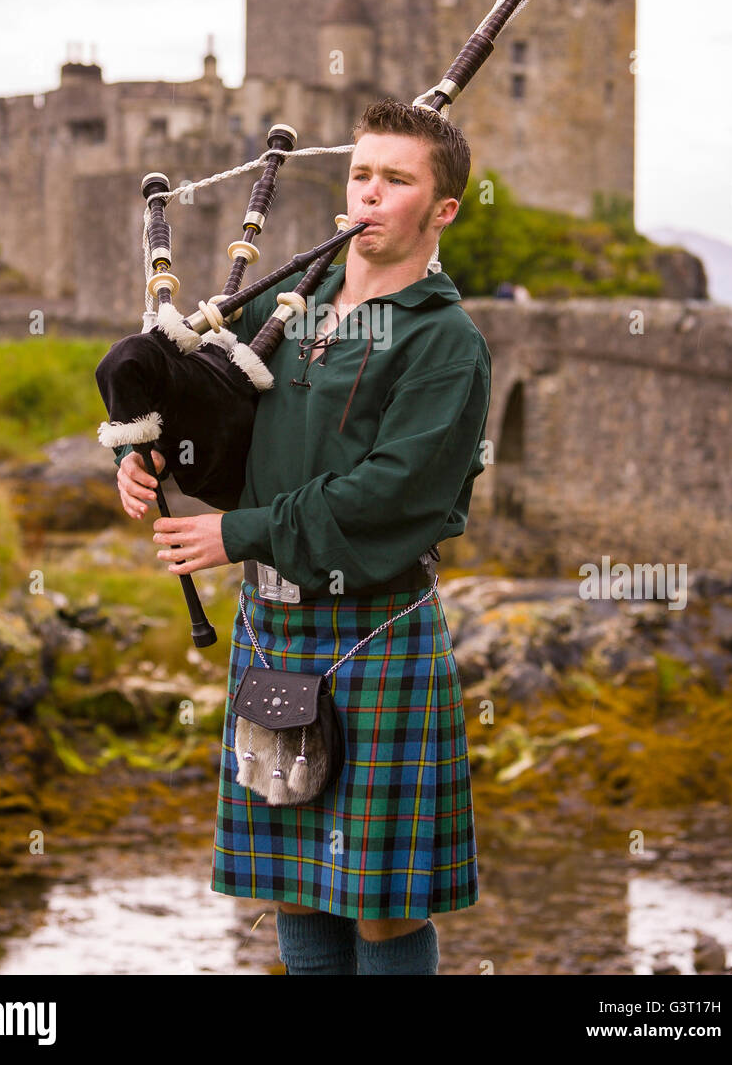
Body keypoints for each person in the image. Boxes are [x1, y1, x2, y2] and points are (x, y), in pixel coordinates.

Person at [114, 98, 492, 975]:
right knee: (294, 887)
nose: (369, 193)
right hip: (273, 632)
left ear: (442, 211)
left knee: (382, 906)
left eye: (396, 180)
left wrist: (237, 533)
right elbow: (211, 416)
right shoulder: (291, 305)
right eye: (362, 172)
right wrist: (143, 452)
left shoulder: (444, 343)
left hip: (376, 631)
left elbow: (390, 495)